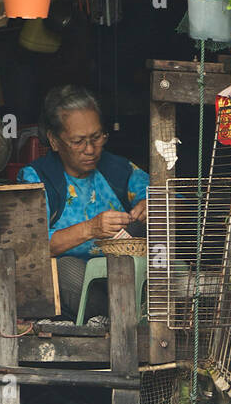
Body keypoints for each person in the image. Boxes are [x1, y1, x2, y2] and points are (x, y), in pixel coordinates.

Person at [19, 85, 148, 317]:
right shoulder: (36, 178)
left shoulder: (119, 170)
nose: (90, 149)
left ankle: (134, 314)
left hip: (124, 277)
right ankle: (118, 318)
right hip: (79, 290)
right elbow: (28, 247)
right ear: (54, 141)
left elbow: (173, 200)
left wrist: (149, 204)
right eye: (78, 141)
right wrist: (91, 229)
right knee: (67, 269)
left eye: (97, 138)